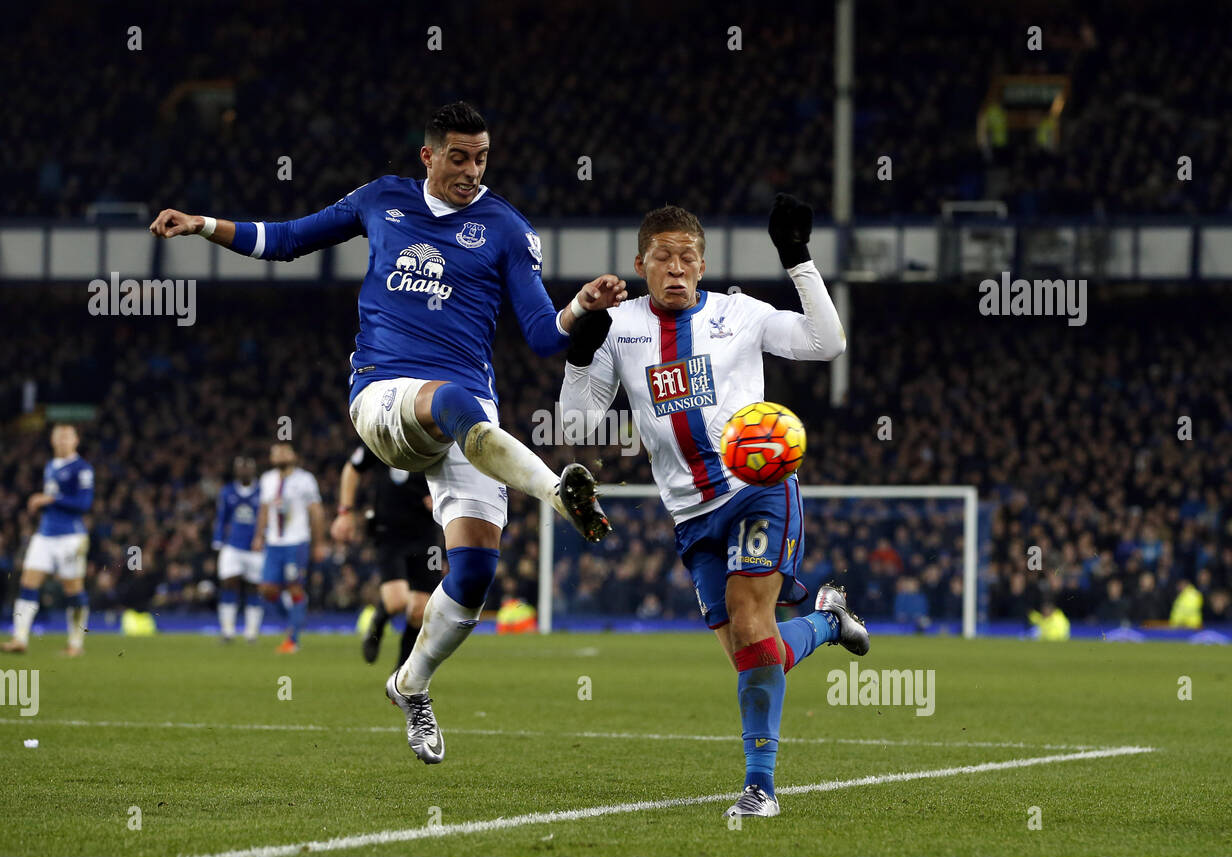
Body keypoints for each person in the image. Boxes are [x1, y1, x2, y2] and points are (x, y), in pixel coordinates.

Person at [151, 101, 625, 762]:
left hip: (466, 414)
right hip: (383, 394)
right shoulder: (382, 200)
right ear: (428, 156)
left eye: (482, 157)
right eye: (458, 157)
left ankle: (412, 684)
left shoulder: (507, 229)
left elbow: (545, 336)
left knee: (476, 573)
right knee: (454, 401)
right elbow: (289, 239)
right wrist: (203, 224)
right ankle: (557, 495)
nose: (471, 170)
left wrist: (583, 306)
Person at [559, 197, 869, 819]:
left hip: (759, 488)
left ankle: (760, 790)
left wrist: (798, 260)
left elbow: (827, 342)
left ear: (703, 265)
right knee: (756, 655)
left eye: (688, 258)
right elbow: (575, 421)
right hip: (690, 514)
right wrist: (580, 349)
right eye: (664, 257)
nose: (677, 268)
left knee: (753, 631)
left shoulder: (740, 314)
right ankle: (828, 621)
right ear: (640, 262)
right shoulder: (619, 326)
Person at [331, 445, 441, 667]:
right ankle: (377, 624)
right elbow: (352, 469)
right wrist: (345, 513)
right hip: (388, 532)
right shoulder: (384, 436)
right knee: (397, 601)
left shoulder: (438, 441)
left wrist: (440, 498)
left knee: (420, 611)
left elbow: (456, 478)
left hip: (425, 533)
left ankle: (401, 674)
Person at [1, 423, 93, 656]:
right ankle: (19, 639)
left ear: (76, 441)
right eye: (59, 437)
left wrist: (50, 500)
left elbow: (84, 504)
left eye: (67, 437)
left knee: (73, 590)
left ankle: (76, 645)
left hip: (71, 537)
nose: (63, 441)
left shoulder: (82, 469)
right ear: (53, 441)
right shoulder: (51, 465)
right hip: (44, 535)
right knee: (28, 583)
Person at [253, 443, 325, 654]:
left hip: (297, 541)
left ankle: (292, 639)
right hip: (274, 542)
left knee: (294, 587)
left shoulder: (305, 479)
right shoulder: (267, 479)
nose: (279, 455)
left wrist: (319, 542)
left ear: (294, 455)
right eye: (275, 452)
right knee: (267, 589)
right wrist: (258, 536)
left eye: (284, 451)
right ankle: (295, 615)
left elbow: (316, 512)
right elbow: (264, 510)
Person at [213, 456, 264, 643]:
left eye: (247, 467)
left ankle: (251, 634)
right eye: (240, 468)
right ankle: (227, 632)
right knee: (228, 583)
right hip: (232, 546)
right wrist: (218, 541)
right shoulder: (227, 492)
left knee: (254, 588)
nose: (243, 471)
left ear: (253, 469)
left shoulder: (263, 491)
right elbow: (222, 518)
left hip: (256, 548)